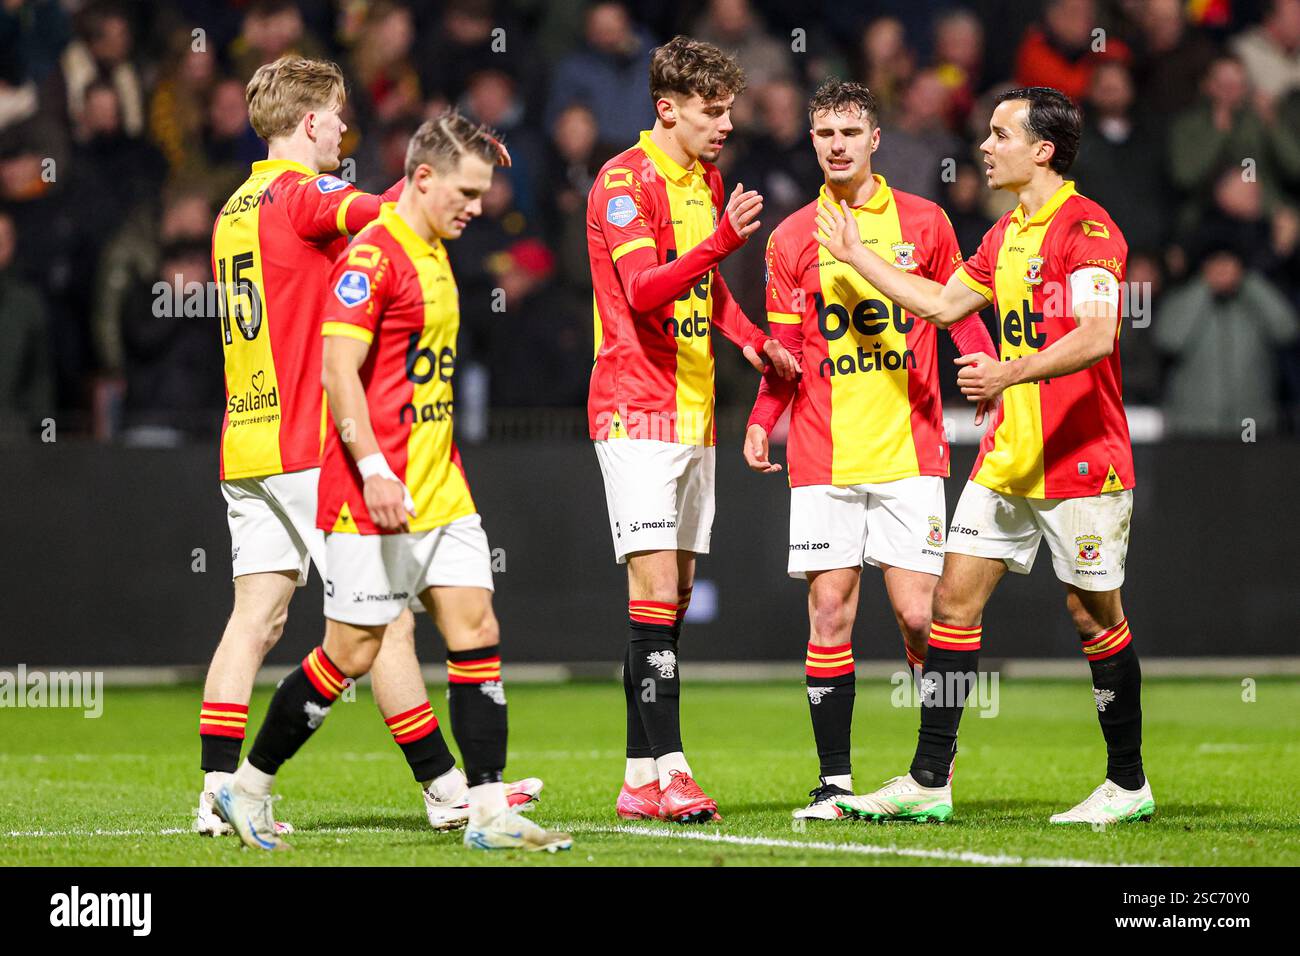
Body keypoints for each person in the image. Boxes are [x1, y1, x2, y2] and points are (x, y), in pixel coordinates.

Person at [199, 55, 538, 839]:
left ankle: (217, 789)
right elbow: (390, 212)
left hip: (245, 438)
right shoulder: (303, 191)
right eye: (340, 116)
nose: (345, 130)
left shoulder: (232, 207)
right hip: (309, 437)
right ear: (311, 120)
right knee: (382, 624)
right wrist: (449, 163)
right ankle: (447, 789)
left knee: (254, 617)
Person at [817, 86, 1152, 826]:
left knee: (1094, 617)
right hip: (1007, 459)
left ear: (1042, 150)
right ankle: (929, 779)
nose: (984, 146)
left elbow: (1099, 334)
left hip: (1081, 460)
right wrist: (857, 254)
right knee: (950, 606)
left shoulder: (1088, 228)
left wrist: (1007, 372)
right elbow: (938, 307)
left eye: (999, 134)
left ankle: (1127, 784)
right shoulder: (1005, 237)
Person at [743, 79, 997, 820]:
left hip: (909, 449)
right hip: (822, 455)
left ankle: (932, 771)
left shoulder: (924, 223)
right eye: (824, 133)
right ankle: (834, 782)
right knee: (829, 612)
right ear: (813, 142)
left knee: (922, 617)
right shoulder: (791, 238)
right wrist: (765, 417)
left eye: (850, 132)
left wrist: (987, 375)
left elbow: (960, 309)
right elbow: (785, 348)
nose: (837, 145)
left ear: (875, 139)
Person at [586, 35, 798, 824]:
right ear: (666, 108)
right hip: (635, 409)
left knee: (671, 596)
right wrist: (721, 241)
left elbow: (704, 287)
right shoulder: (622, 182)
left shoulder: (704, 178)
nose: (725, 127)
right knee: (651, 593)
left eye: (729, 111)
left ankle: (640, 775)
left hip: (694, 409)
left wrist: (749, 339)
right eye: (712, 112)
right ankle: (671, 768)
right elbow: (643, 289)